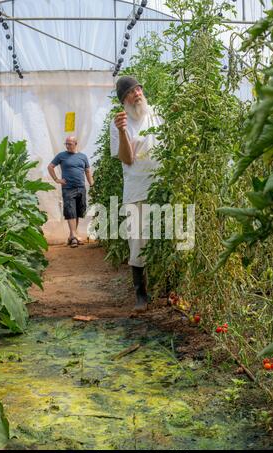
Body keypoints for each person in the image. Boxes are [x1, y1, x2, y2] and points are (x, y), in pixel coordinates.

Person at [110, 76, 163, 312]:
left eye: (139, 88)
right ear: (124, 101)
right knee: (139, 241)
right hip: (137, 189)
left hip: (163, 187)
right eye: (131, 91)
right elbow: (127, 158)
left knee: (172, 235)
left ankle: (168, 287)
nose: (137, 93)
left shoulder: (158, 113)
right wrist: (122, 132)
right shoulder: (120, 123)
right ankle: (141, 294)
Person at [48, 135, 94, 247]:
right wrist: (57, 179)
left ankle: (72, 236)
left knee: (77, 212)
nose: (67, 146)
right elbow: (50, 166)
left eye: (70, 144)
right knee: (70, 211)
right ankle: (74, 236)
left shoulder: (82, 156)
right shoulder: (61, 156)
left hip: (81, 187)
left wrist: (92, 184)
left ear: (75, 144)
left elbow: (87, 171)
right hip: (68, 188)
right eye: (66, 144)